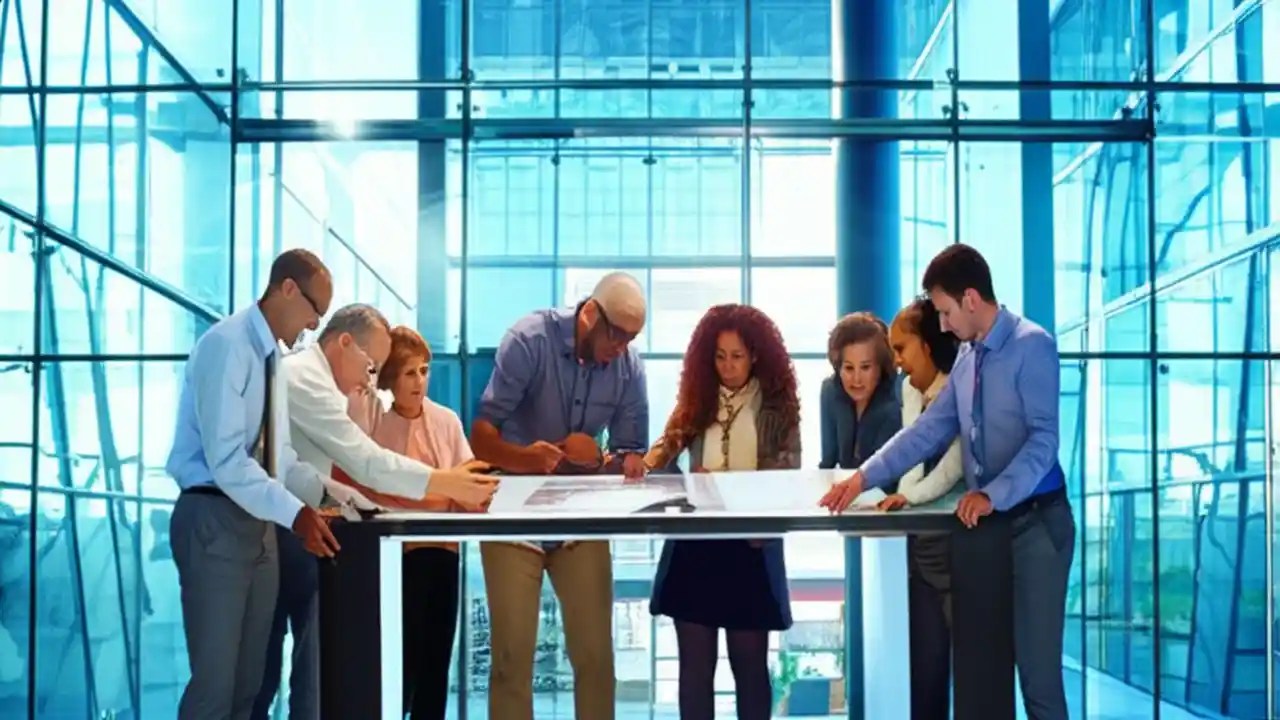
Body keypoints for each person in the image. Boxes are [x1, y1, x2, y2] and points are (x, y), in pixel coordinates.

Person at [819, 244, 1073, 720]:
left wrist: (989, 494)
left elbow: (1043, 443)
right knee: (982, 677)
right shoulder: (966, 359)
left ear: (971, 299)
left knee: (1037, 676)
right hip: (986, 529)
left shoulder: (1032, 346)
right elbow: (928, 430)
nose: (942, 324)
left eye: (945, 311)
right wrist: (862, 478)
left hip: (1038, 526)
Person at [252, 304, 497, 720]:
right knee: (274, 672)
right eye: (377, 368)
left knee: (306, 671)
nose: (371, 381)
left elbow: (305, 473)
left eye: (422, 370)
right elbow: (365, 466)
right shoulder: (311, 383)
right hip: (293, 535)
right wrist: (443, 482)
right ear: (346, 343)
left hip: (318, 530)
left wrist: (344, 506)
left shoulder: (434, 418)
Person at [165, 249, 340, 720]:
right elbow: (227, 462)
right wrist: (296, 514)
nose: (311, 327)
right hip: (213, 518)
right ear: (286, 288)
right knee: (215, 689)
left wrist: (330, 497)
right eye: (313, 311)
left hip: (257, 523)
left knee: (250, 686)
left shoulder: (270, 359)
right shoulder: (227, 346)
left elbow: (277, 457)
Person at [470, 271, 650, 720]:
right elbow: (481, 437)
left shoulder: (629, 367)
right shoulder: (528, 340)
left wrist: (600, 459)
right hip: (514, 518)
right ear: (590, 314)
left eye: (632, 338)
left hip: (580, 520)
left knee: (595, 661)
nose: (621, 348)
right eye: (617, 335)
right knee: (511, 663)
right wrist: (526, 459)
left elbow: (631, 463)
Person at [643, 304, 800, 720]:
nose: (727, 367)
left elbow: (787, 471)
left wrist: (727, 485)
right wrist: (648, 467)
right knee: (695, 669)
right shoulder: (696, 400)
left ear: (755, 356)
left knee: (749, 666)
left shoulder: (776, 407)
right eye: (719, 356)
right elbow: (663, 451)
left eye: (737, 356)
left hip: (750, 546)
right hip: (696, 544)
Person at [328, 325, 478, 720]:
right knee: (402, 660)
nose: (420, 380)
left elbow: (468, 482)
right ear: (392, 378)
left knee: (437, 662)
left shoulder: (446, 421)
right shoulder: (375, 424)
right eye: (410, 372)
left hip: (444, 553)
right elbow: (366, 488)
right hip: (397, 558)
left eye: (425, 370)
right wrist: (437, 493)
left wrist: (419, 494)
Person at [881, 296, 964, 720]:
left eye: (901, 349)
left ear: (928, 346)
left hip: (963, 553)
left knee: (969, 677)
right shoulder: (910, 391)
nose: (896, 361)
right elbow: (910, 452)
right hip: (921, 554)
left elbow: (952, 467)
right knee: (925, 676)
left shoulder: (962, 388)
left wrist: (908, 499)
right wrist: (899, 495)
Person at [818, 312, 901, 473]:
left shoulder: (896, 398)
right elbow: (827, 464)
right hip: (847, 490)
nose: (856, 379)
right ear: (838, 367)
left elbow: (888, 473)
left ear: (880, 366)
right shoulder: (830, 391)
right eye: (849, 368)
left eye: (865, 367)